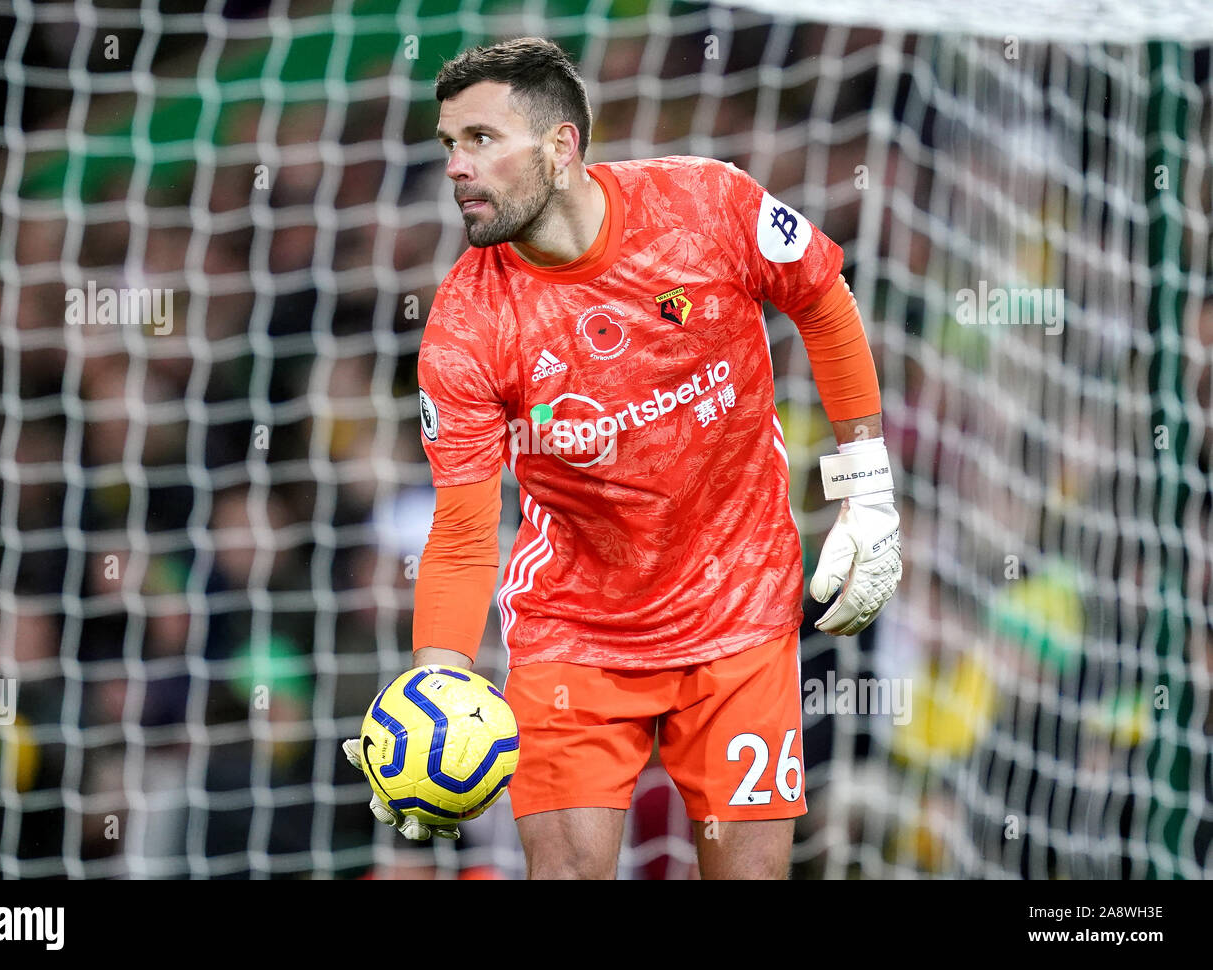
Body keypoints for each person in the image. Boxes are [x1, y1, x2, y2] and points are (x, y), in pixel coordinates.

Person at [344, 36, 901, 879]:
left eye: (482, 140)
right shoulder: (464, 328)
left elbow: (822, 300)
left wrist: (868, 493)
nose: (456, 166)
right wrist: (436, 690)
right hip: (575, 634)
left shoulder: (707, 203)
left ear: (562, 148)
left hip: (739, 611)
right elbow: (461, 531)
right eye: (449, 144)